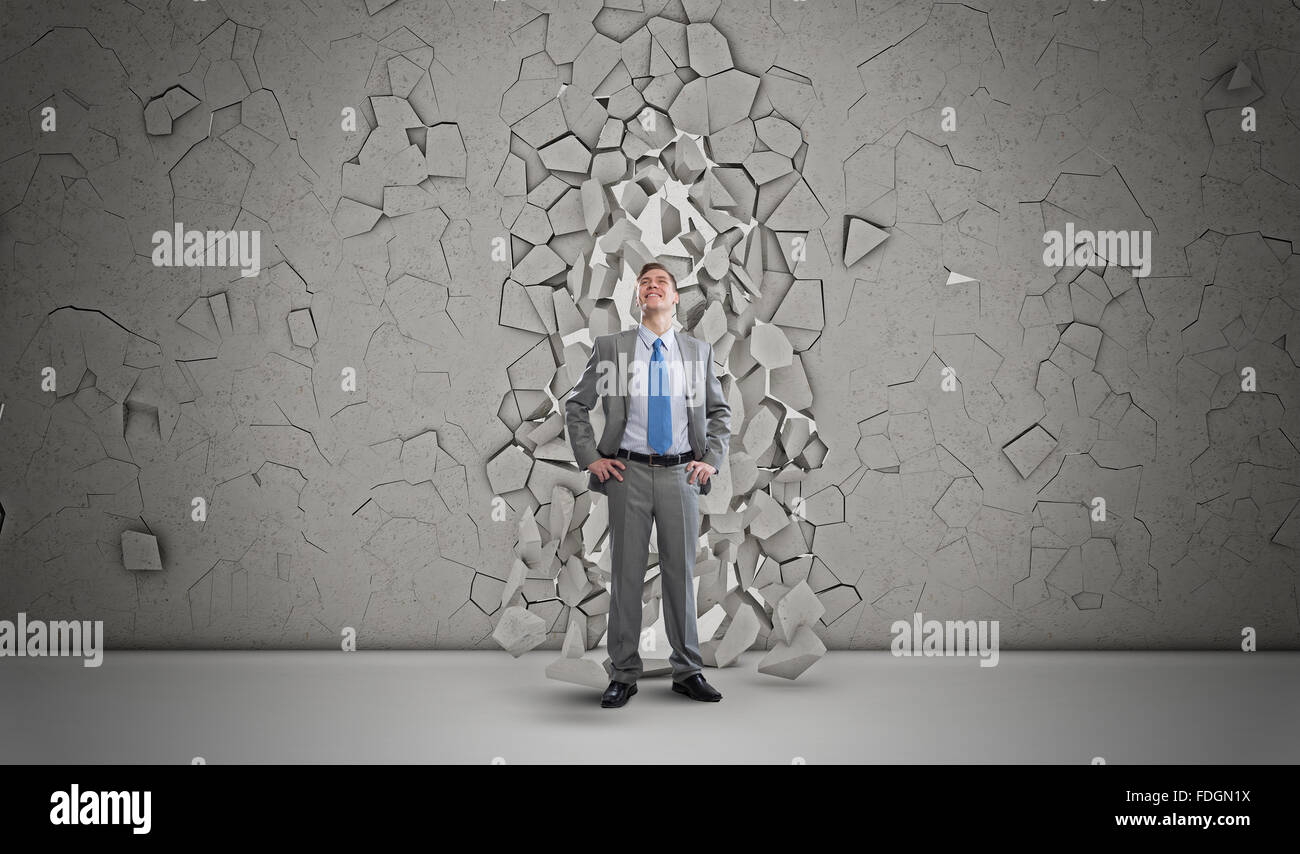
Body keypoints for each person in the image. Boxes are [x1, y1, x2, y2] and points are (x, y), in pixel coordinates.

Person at [565, 261, 732, 708]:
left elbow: (719, 414)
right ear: (638, 298)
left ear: (675, 298)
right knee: (626, 575)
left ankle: (688, 670)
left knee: (681, 575)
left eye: (662, 283)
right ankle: (622, 673)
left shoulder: (697, 353)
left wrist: (711, 461)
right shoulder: (611, 349)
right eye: (645, 283)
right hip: (628, 474)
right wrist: (592, 459)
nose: (653, 287)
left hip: (681, 474)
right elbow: (575, 407)